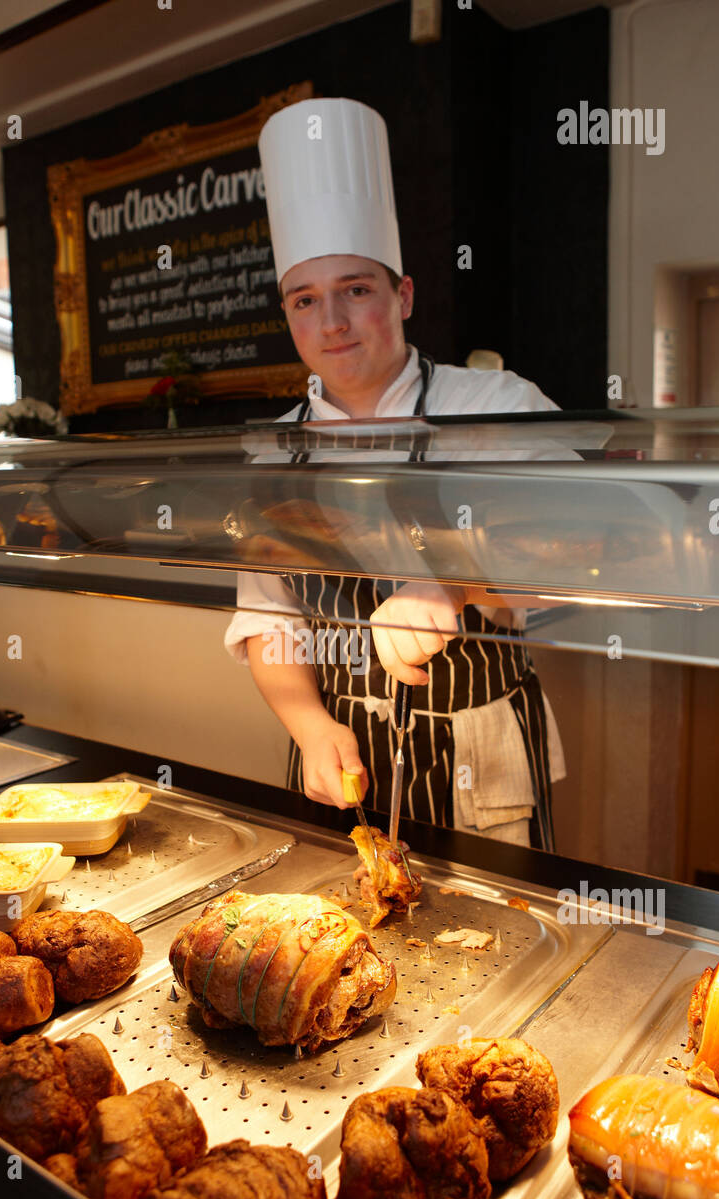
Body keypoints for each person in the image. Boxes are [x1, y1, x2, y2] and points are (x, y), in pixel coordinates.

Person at [225, 97, 565, 849]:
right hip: (337, 753)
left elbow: (585, 547)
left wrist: (454, 581)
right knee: (331, 951)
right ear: (288, 315)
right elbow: (270, 621)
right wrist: (307, 724)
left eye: (356, 290)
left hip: (482, 751)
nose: (333, 323)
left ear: (402, 295)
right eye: (306, 300)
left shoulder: (497, 407)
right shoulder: (274, 452)